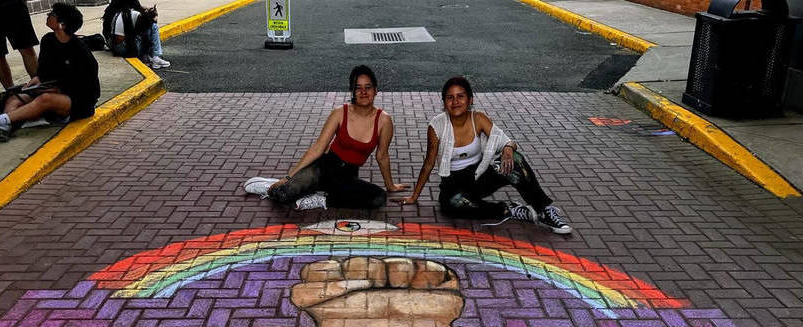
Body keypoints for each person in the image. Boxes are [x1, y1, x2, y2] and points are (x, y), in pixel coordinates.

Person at [396, 76, 572, 234]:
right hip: (453, 182)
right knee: (450, 206)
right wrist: (414, 197)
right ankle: (509, 210)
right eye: (450, 97)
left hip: (479, 175)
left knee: (516, 159)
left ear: (470, 99)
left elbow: (507, 141)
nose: (455, 101)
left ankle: (543, 210)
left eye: (460, 96)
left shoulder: (478, 118)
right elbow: (428, 163)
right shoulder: (436, 125)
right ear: (444, 102)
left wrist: (508, 149)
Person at [243, 65, 406, 211]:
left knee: (379, 198)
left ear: (376, 90)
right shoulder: (339, 113)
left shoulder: (384, 120)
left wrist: (390, 185)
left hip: (348, 177)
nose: (363, 92)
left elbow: (382, 156)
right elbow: (317, 148)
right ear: (352, 91)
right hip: (323, 168)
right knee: (284, 196)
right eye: (358, 88)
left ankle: (322, 199)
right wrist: (288, 177)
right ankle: (272, 186)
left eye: (368, 87)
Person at [0, 3, 100, 143]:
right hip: (54, 90)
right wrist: (38, 80)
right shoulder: (48, 40)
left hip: (79, 102)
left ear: (62, 24)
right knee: (14, 98)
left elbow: (91, 90)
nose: (48, 15)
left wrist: (61, 89)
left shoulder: (80, 51)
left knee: (45, 98)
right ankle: (3, 129)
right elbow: (44, 72)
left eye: (52, 14)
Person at [103, 0, 170, 69]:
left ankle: (149, 57)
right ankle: (154, 57)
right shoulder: (130, 14)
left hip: (112, 44)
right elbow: (119, 39)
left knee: (146, 28)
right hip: (121, 48)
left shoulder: (116, 11)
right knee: (152, 27)